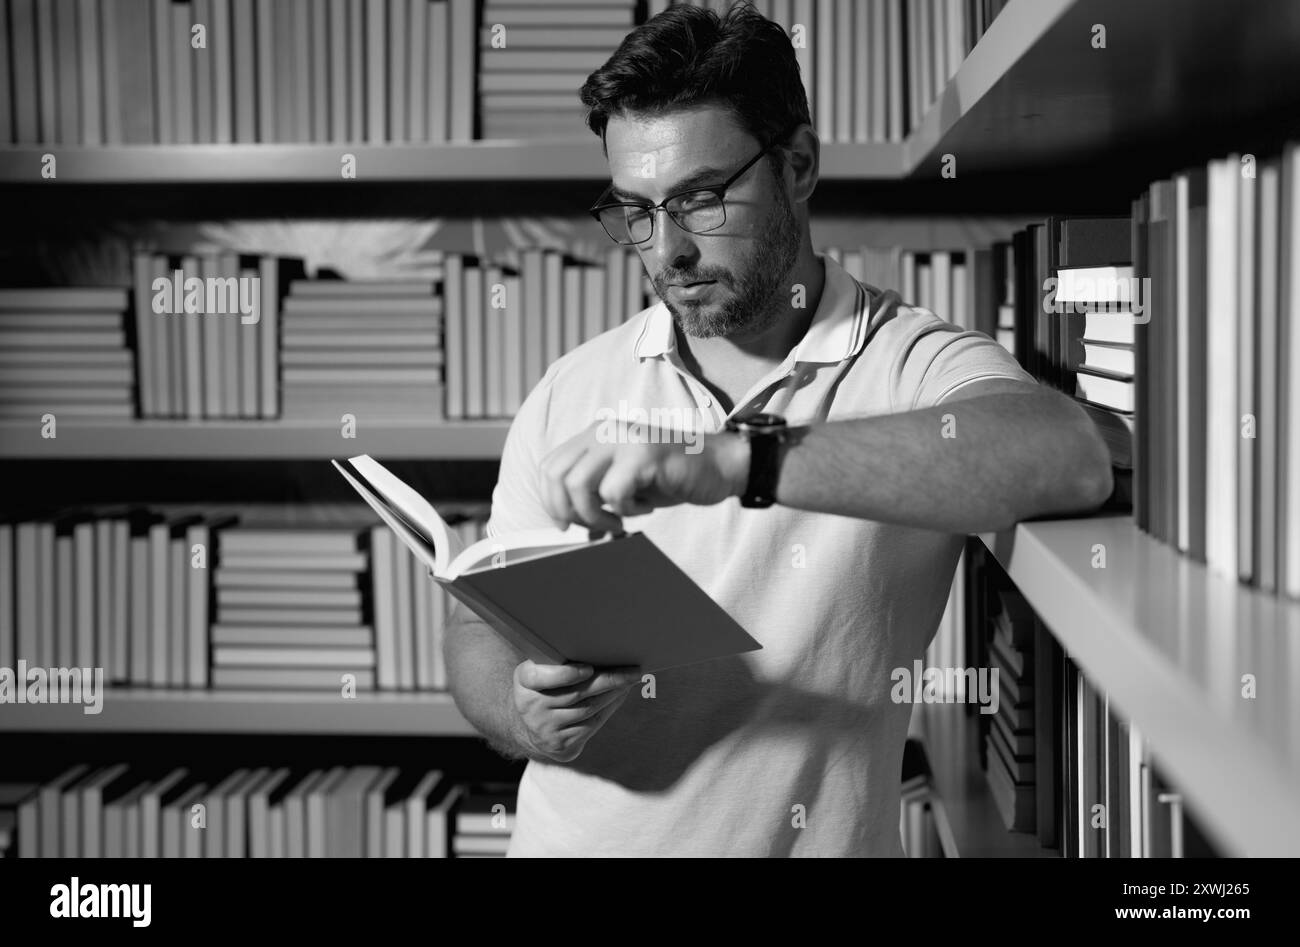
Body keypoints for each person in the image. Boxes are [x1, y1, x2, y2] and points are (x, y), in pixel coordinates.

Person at [445, 1, 1113, 856]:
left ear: (797, 165)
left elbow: (1070, 455)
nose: (667, 252)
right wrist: (523, 713)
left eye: (699, 200)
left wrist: (735, 460)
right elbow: (479, 624)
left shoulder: (910, 363)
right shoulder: (570, 388)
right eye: (637, 211)